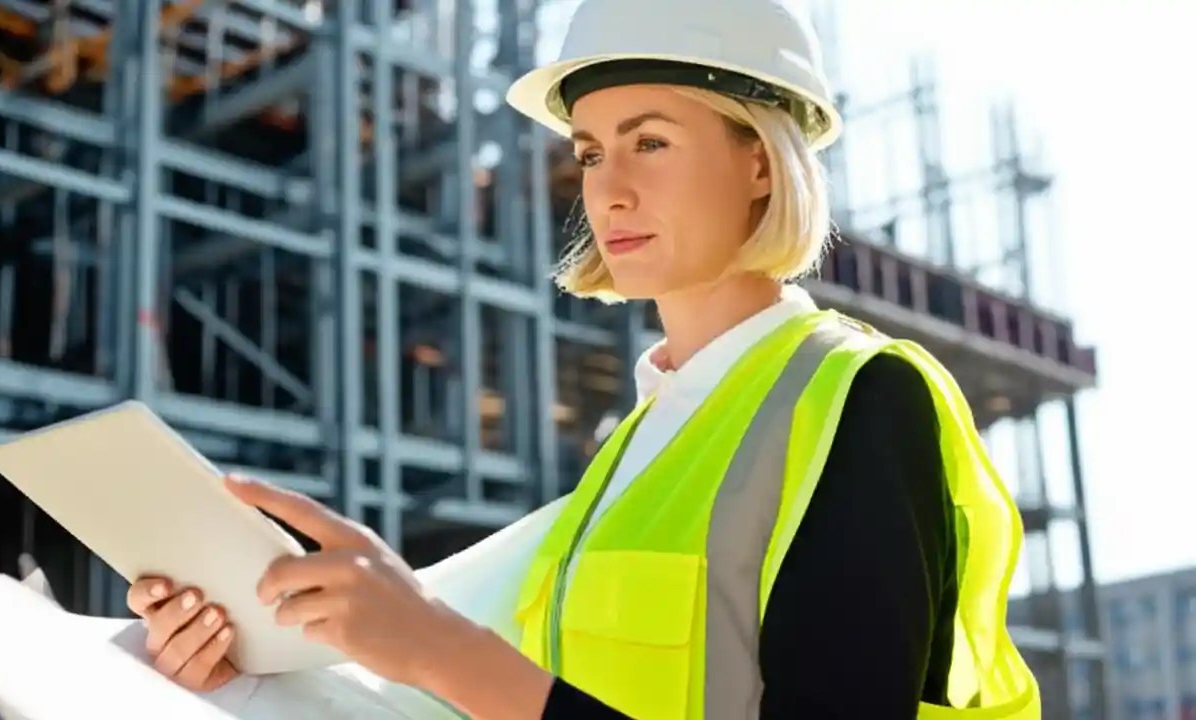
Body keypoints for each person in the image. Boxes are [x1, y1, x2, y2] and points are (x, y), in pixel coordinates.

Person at [127, 0, 1042, 717]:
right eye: (592, 151)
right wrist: (249, 678)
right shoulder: (631, 454)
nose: (609, 189)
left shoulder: (861, 398)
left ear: (761, 158)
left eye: (651, 141)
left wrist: (439, 647)